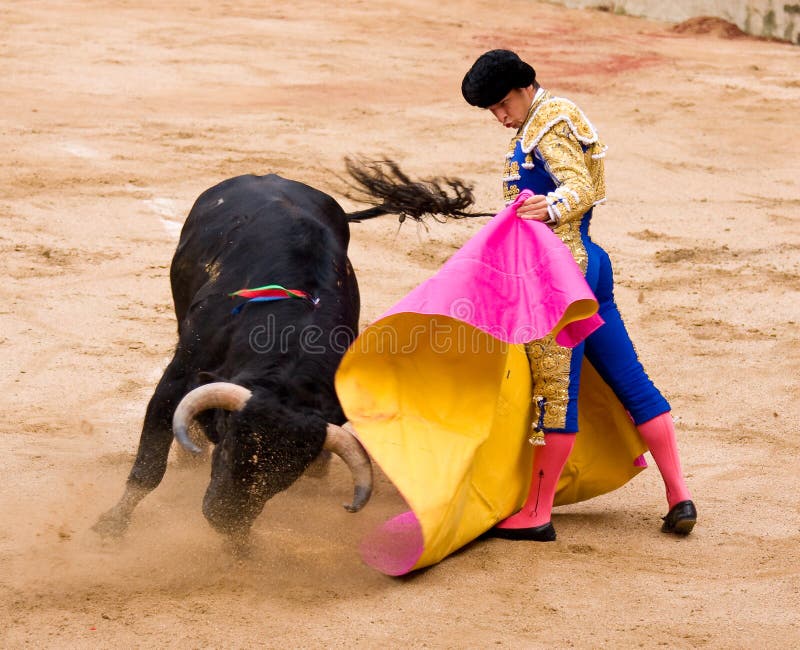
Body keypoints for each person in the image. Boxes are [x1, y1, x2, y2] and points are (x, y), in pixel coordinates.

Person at [461, 49, 696, 541]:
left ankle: (537, 512)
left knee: (554, 392)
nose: (500, 116)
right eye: (492, 111)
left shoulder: (547, 122)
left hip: (558, 276)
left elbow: (580, 187)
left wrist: (549, 209)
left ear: (526, 87)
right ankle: (679, 495)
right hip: (589, 265)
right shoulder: (548, 118)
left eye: (504, 104)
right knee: (631, 382)